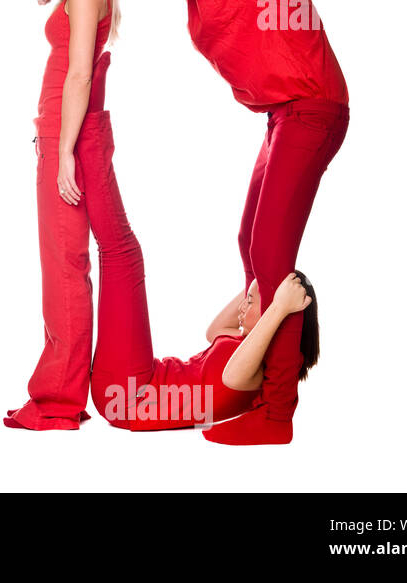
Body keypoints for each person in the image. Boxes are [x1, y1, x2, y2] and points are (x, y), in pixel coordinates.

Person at [32, 0, 348, 444]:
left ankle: (277, 414)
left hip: (309, 110)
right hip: (286, 114)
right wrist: (260, 305)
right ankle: (274, 374)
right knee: (251, 244)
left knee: (267, 257)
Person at [75, 98, 317, 431]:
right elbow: (214, 331)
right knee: (120, 254)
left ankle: (89, 126)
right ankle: (86, 129)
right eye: (248, 299)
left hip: (130, 395)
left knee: (123, 253)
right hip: (140, 379)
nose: (244, 304)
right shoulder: (239, 341)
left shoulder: (257, 372)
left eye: (250, 301)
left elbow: (231, 374)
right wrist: (261, 284)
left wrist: (278, 309)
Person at [4, 0, 125, 431]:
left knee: (65, 267)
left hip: (66, 135)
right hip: (64, 132)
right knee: (66, 264)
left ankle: (58, 401)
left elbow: (78, 74)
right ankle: (61, 391)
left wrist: (64, 155)